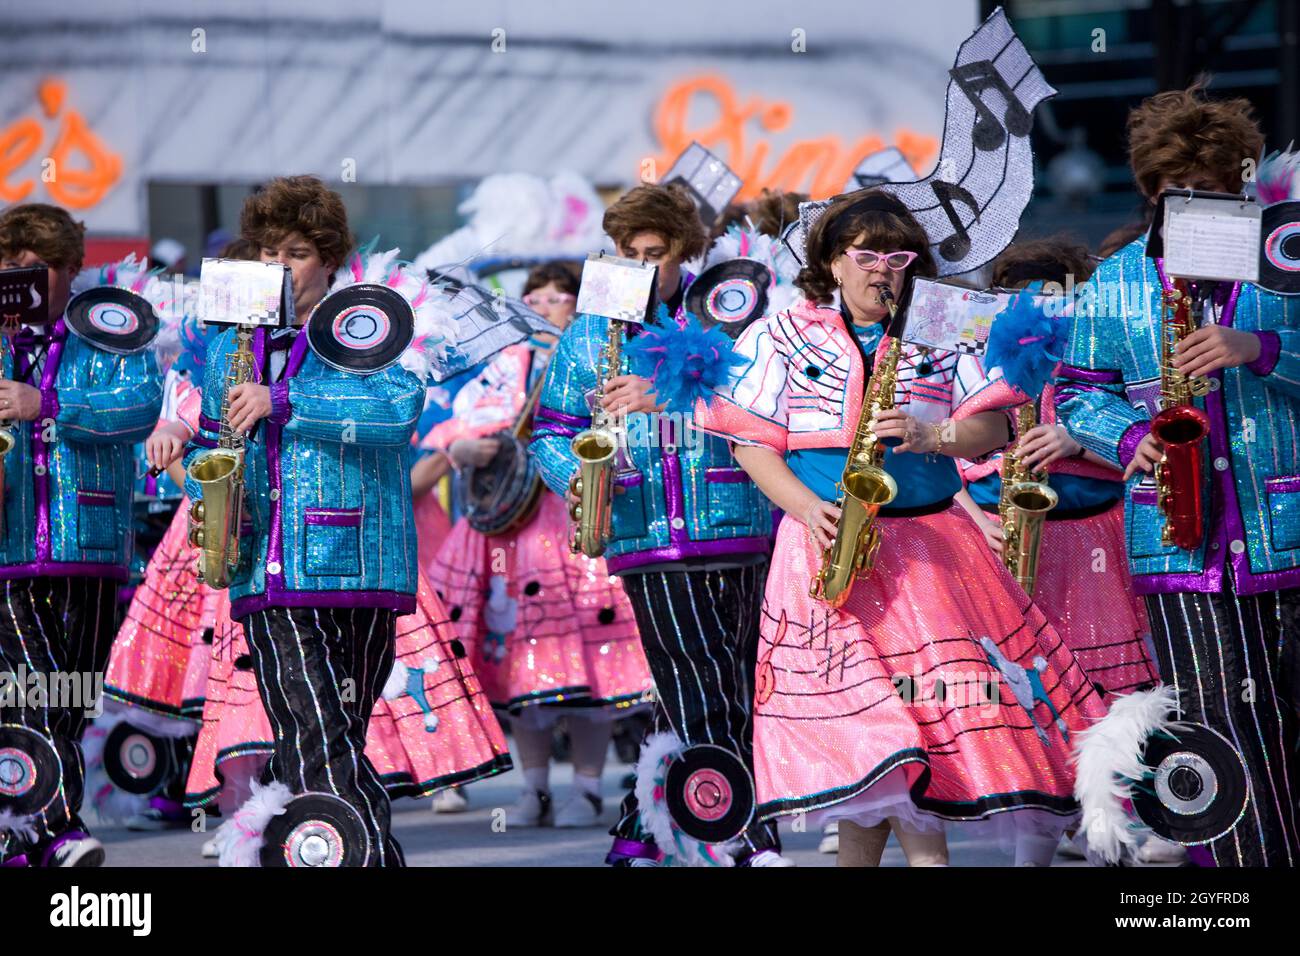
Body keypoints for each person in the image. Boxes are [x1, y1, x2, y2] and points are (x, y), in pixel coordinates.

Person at [695, 189, 1107, 867]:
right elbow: (750, 442)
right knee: (868, 733)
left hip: (929, 549)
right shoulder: (777, 331)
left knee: (927, 722)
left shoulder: (947, 321)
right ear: (831, 263)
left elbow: (996, 422)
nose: (882, 270)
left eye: (899, 256)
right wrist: (806, 509)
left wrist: (931, 431)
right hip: (824, 545)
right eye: (866, 255)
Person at [1058, 81, 1300, 867]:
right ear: (1150, 190)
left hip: (1285, 532)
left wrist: (1256, 349)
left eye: (1210, 193)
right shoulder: (1115, 278)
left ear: (1240, 183)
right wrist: (1129, 438)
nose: (1190, 209)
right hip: (1176, 538)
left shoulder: (1285, 263)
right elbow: (1078, 389)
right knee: (1211, 731)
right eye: (1174, 196)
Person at [532, 183, 790, 866]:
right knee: (696, 680)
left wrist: (664, 390)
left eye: (659, 251)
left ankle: (643, 830)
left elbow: (761, 398)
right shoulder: (592, 329)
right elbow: (550, 431)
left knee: (726, 684)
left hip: (737, 519)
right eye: (630, 252)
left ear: (688, 250)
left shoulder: (729, 311)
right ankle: (740, 835)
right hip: (644, 529)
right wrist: (583, 478)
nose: (645, 264)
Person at [185, 176, 423, 866]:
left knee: (334, 730)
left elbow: (396, 412)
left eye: (294, 252)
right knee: (314, 725)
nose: (278, 266)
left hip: (364, 559)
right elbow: (212, 436)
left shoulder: (367, 322)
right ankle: (366, 858)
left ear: (329, 261)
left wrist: (281, 397)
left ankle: (329, 851)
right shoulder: (226, 340)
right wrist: (201, 466)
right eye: (266, 252)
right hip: (265, 562)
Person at [426, 261, 653, 828]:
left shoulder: (598, 351)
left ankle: (585, 789)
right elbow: (452, 425)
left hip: (576, 513)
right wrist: (465, 450)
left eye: (560, 296)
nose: (549, 305)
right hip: (511, 528)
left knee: (588, 663)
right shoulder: (502, 363)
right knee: (524, 664)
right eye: (538, 295)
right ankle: (531, 790)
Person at [0, 204, 164, 867]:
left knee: (70, 693)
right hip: (8, 547)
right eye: (6, 266)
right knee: (33, 685)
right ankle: (60, 827)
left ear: (69, 269)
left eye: (32, 267)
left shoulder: (110, 334)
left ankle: (17, 833)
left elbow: (141, 406)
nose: (16, 278)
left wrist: (51, 405)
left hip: (89, 543)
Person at [954, 238, 1159, 703]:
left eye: (1055, 301)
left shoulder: (1103, 359)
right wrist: (970, 519)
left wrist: (1079, 443)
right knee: (1014, 689)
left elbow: (1154, 456)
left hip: (1093, 543)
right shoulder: (971, 357)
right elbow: (940, 457)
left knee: (1107, 687)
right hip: (995, 535)